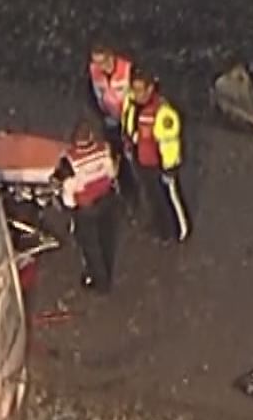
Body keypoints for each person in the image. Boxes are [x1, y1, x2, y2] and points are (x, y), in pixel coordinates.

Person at [52, 118, 121, 290]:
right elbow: (111, 173)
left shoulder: (70, 160)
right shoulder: (103, 149)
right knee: (105, 234)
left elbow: (68, 188)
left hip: (86, 208)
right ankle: (106, 261)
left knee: (90, 245)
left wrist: (69, 206)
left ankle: (100, 281)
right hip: (105, 200)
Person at [122, 70, 190, 245]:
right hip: (141, 159)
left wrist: (169, 168)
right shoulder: (131, 103)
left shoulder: (163, 113)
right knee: (152, 196)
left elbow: (170, 144)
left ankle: (177, 231)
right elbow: (129, 124)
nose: (137, 94)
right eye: (134, 89)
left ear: (150, 88)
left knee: (169, 198)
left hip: (158, 164)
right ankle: (160, 227)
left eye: (140, 90)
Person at [85, 41, 140, 209]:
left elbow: (137, 95)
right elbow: (91, 94)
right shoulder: (94, 71)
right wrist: (100, 115)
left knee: (137, 157)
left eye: (102, 62)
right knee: (117, 159)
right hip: (110, 121)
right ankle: (129, 196)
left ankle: (141, 190)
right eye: (96, 62)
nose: (100, 67)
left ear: (111, 56)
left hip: (129, 122)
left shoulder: (127, 69)